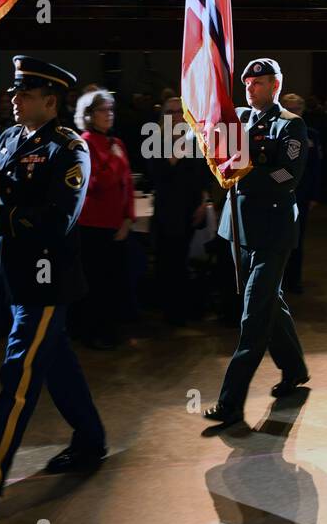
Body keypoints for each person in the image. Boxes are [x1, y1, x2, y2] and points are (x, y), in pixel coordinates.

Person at [0, 56, 107, 520]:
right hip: (13, 277)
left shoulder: (69, 149)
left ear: (50, 102)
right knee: (56, 364)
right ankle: (90, 440)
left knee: (18, 379)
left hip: (45, 282)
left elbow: (56, 221)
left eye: (24, 94)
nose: (13, 99)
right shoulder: (10, 137)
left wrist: (0, 216)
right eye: (14, 92)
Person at [203, 58, 310, 424]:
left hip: (272, 229)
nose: (251, 87)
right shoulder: (239, 121)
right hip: (239, 230)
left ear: (275, 85)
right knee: (270, 304)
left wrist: (250, 176)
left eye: (259, 82)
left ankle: (230, 402)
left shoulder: (291, 125)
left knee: (253, 316)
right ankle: (294, 368)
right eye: (248, 82)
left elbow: (288, 174)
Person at [71, 89, 135, 349]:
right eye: (102, 110)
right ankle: (92, 333)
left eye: (111, 109)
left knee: (113, 282)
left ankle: (109, 331)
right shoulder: (83, 143)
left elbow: (127, 184)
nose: (109, 114)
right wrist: (115, 163)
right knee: (94, 283)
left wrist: (128, 219)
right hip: (92, 225)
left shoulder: (116, 143)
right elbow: (95, 184)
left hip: (115, 224)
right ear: (89, 115)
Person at [149, 97, 213, 327]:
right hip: (168, 210)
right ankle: (171, 311)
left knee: (187, 259)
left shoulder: (194, 140)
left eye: (180, 112)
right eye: (171, 112)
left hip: (191, 209)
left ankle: (187, 306)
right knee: (169, 261)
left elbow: (203, 176)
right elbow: (158, 175)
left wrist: (202, 203)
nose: (176, 116)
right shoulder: (156, 140)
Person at [281, 92, 321, 294]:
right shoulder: (276, 130)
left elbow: (315, 167)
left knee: (297, 239)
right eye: (288, 109)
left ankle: (294, 280)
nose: (293, 112)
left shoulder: (310, 133)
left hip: (302, 194)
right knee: (278, 239)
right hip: (279, 194)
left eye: (296, 109)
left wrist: (314, 195)